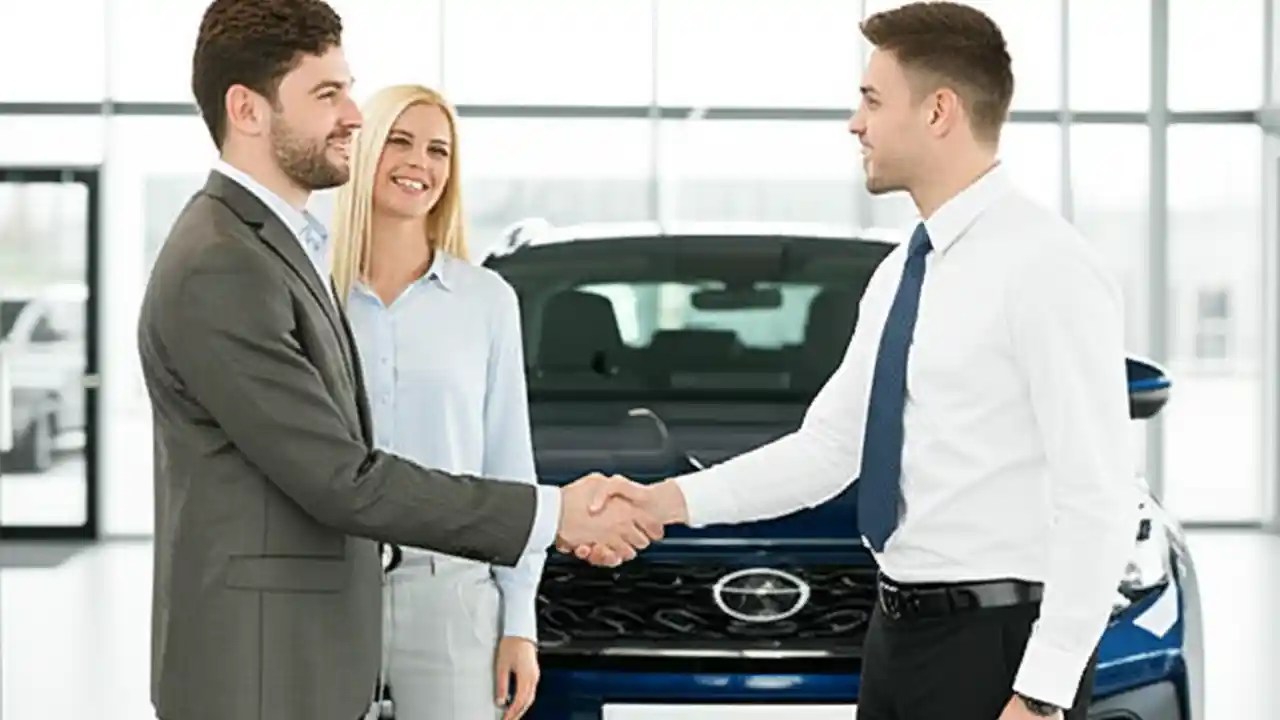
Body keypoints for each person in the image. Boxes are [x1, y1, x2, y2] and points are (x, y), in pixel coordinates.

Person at [579, 3, 1135, 720]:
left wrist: (1042, 695)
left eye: (872, 99)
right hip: (899, 634)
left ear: (939, 112)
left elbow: (1099, 496)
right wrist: (661, 503)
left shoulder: (1047, 265)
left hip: (999, 648)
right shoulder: (906, 269)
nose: (855, 122)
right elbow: (830, 450)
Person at [136, 3, 659, 720]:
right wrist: (556, 513)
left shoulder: (267, 251)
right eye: (328, 94)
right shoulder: (226, 264)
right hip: (262, 659)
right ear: (247, 110)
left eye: (349, 91)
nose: (353, 114)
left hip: (347, 629)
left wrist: (518, 612)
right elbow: (340, 479)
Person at [328, 84, 542, 720]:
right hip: (327, 590)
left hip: (451, 594)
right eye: (399, 140)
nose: (418, 163)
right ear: (364, 150)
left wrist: (519, 621)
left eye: (437, 150)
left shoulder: (487, 301)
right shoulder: (312, 293)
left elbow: (511, 468)